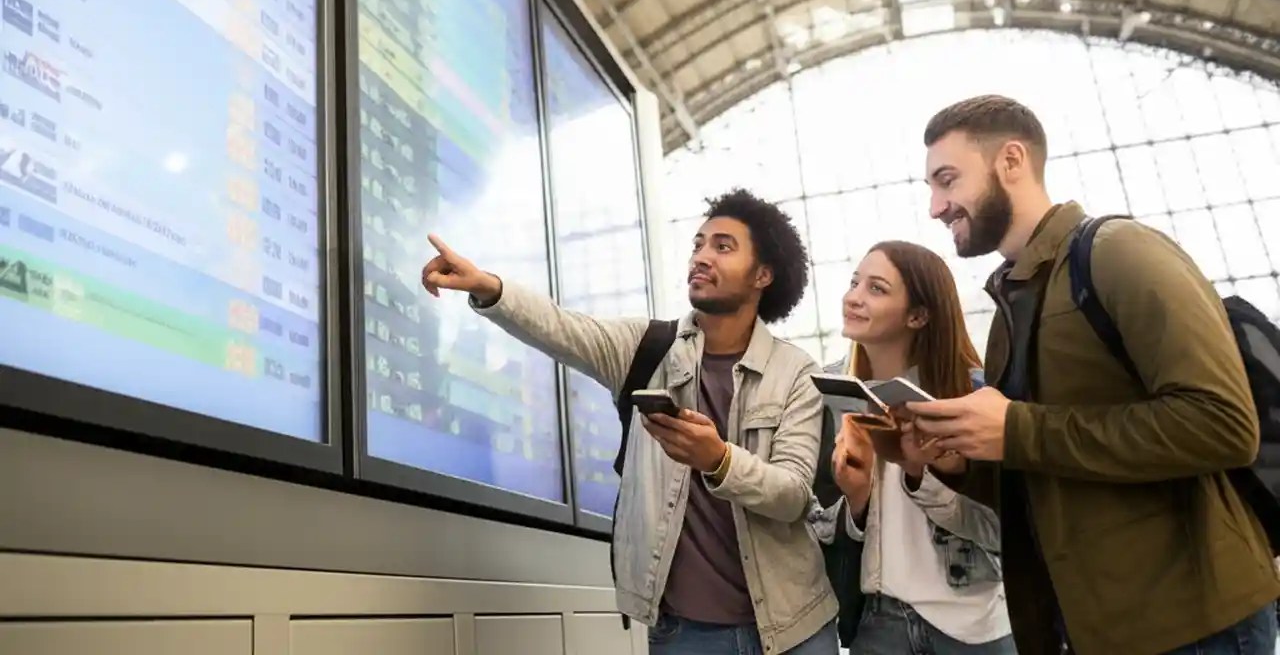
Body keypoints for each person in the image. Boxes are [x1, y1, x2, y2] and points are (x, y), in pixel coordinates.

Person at [899, 94, 1280, 655]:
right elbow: (1046, 473)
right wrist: (956, 459)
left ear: (1011, 161)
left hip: (1193, 627)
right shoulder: (1012, 305)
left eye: (947, 179)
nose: (936, 206)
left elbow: (1222, 423)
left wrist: (1019, 430)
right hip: (1088, 629)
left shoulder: (1120, 253)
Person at [420, 188, 839, 654]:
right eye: (698, 244)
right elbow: (562, 327)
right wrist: (487, 287)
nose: (701, 256)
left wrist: (719, 461)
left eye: (723, 246)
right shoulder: (647, 348)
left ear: (763, 274)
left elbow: (795, 496)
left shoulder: (797, 372)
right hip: (685, 635)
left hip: (794, 629)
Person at [812, 241, 1015, 655]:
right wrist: (856, 500)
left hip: (972, 627)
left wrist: (921, 475)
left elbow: (1002, 532)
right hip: (879, 624)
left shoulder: (973, 396)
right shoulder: (833, 394)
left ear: (918, 315)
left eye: (877, 288)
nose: (853, 297)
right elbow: (820, 527)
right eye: (854, 283)